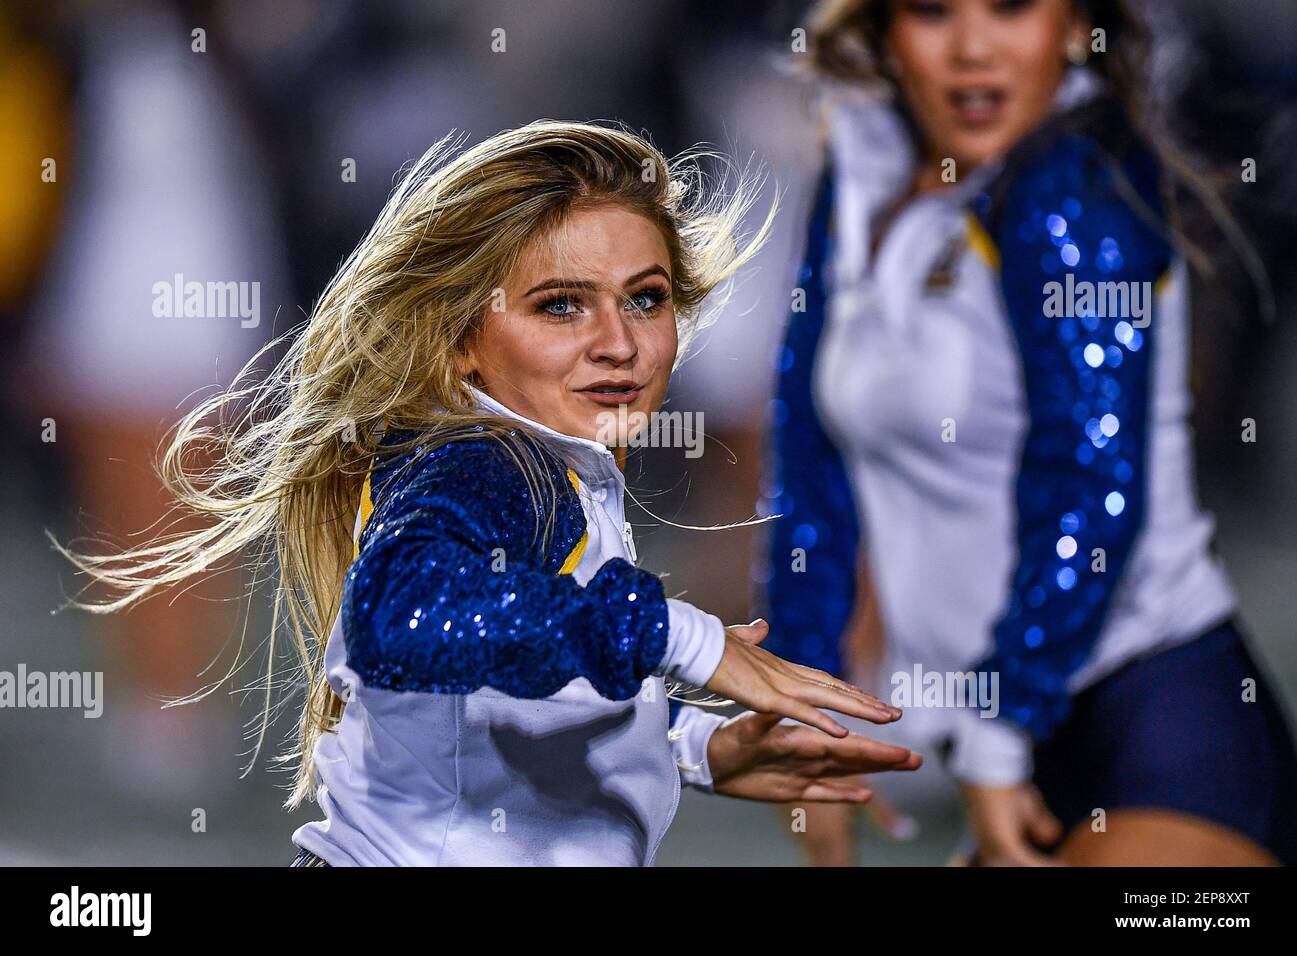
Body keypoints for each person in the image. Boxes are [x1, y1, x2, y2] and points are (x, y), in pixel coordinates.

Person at [60, 120, 921, 866]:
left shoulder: (558, 468)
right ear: (461, 337)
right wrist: (674, 635)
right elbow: (403, 613)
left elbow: (504, 696)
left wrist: (696, 746)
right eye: (560, 306)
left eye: (646, 299)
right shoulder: (490, 466)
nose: (619, 343)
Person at [761, 0, 1297, 866]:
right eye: (934, 12)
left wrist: (1002, 728)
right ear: (883, 29)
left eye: (1011, 7)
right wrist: (806, 709)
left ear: (1072, 20)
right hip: (1013, 738)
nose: (974, 51)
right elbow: (810, 454)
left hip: (1159, 731)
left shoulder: (1075, 186)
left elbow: (1088, 477)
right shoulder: (860, 172)